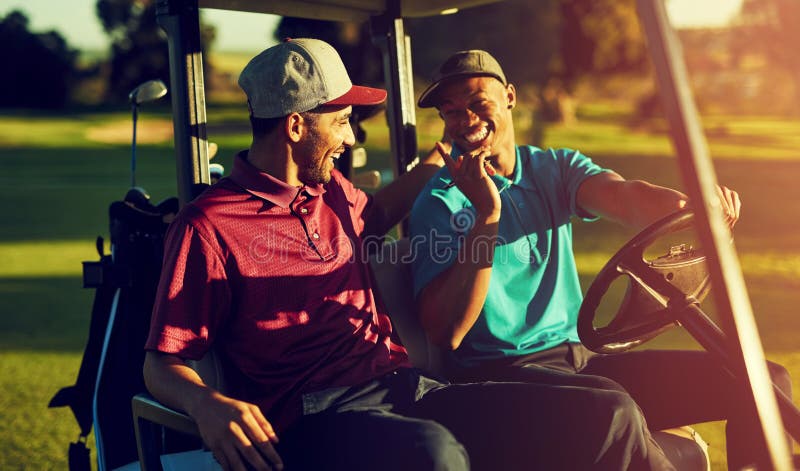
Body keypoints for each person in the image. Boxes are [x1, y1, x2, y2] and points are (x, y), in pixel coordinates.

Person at [143, 38, 677, 471]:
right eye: (342, 121)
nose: (351, 140)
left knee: (606, 411)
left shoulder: (331, 193)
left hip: (404, 387)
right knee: (435, 454)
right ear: (296, 125)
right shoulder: (209, 225)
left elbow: (376, 213)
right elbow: (162, 363)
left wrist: (437, 162)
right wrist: (205, 403)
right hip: (311, 417)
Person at [409, 49, 793, 471]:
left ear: (510, 97)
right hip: (504, 372)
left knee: (762, 381)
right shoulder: (439, 203)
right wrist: (487, 216)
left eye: (477, 102)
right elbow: (445, 332)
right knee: (614, 410)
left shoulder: (553, 168)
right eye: (451, 111)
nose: (465, 119)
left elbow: (624, 196)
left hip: (582, 358)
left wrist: (693, 208)